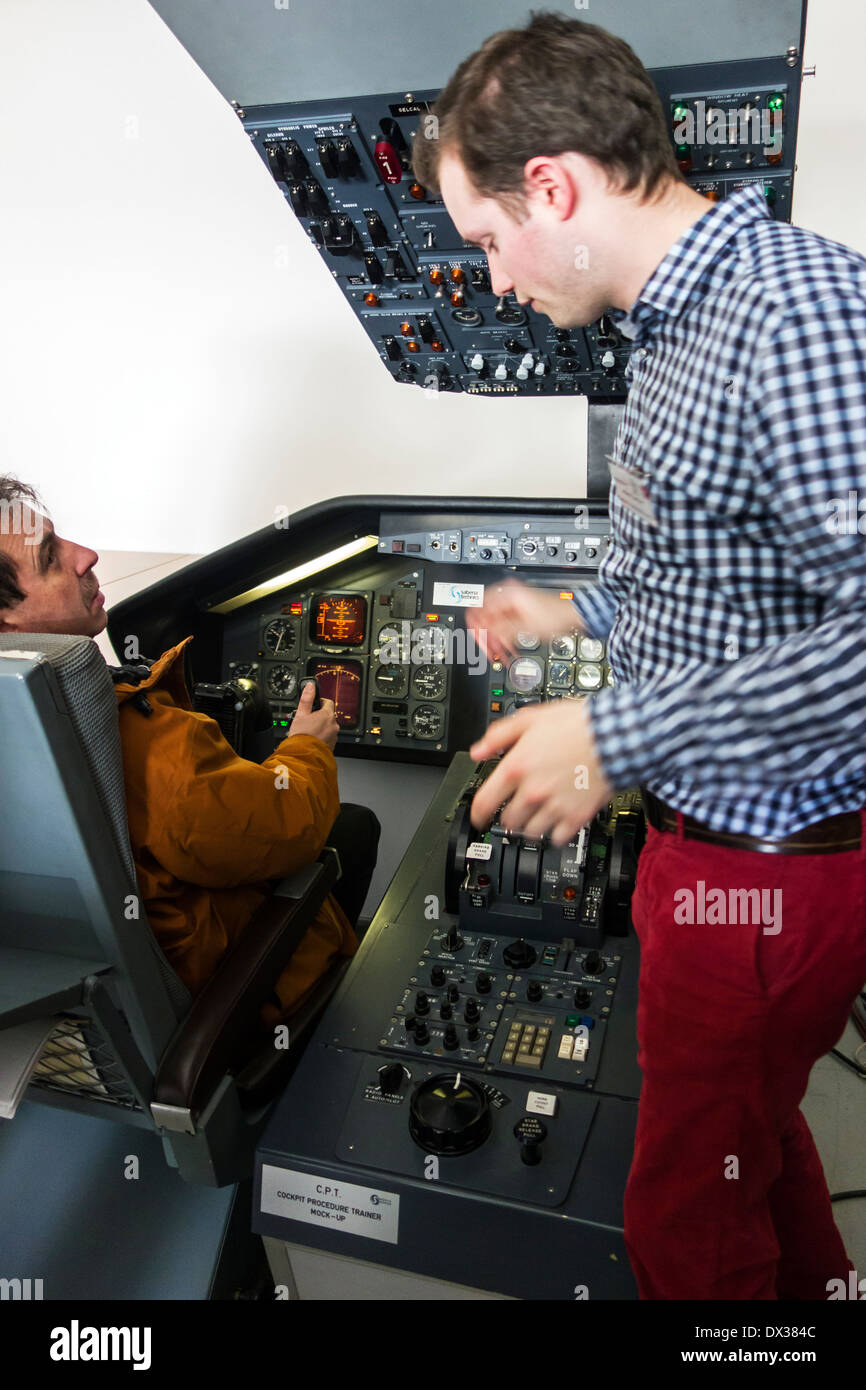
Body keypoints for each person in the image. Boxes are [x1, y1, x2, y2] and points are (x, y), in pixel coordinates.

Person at [413, 12, 866, 1300]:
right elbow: (712, 578)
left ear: (550, 185)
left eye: (489, 241)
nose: (494, 281)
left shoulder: (792, 314)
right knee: (753, 1138)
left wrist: (615, 735)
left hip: (765, 887)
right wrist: (575, 614)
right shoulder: (673, 331)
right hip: (703, 855)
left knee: (682, 1215)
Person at [0, 474, 380, 1028]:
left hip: (89, 1018)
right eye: (52, 558)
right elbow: (289, 825)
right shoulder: (139, 742)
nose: (86, 555)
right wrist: (305, 748)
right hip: (217, 998)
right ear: (6, 622)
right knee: (349, 827)